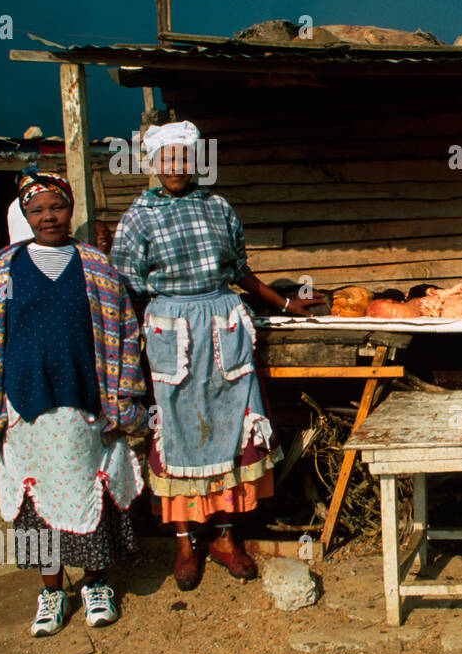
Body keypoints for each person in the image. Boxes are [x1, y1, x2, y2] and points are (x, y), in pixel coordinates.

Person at [109, 121, 324, 591]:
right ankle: (186, 543)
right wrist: (133, 345)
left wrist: (285, 303)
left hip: (225, 324)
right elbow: (126, 288)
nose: (176, 167)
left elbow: (239, 271)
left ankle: (226, 539)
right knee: (180, 433)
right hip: (173, 332)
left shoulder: (217, 207)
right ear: (152, 163)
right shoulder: (138, 216)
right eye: (166, 158)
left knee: (232, 428)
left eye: (184, 157)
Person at [0, 171, 146, 636]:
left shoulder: (97, 268)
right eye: (37, 209)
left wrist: (123, 394)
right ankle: (51, 591)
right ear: (25, 215)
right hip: (24, 407)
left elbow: (124, 333)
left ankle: (95, 584)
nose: (48, 217)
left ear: (70, 211)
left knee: (87, 490)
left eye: (56, 207)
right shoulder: (1, 269)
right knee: (36, 498)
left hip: (83, 404)